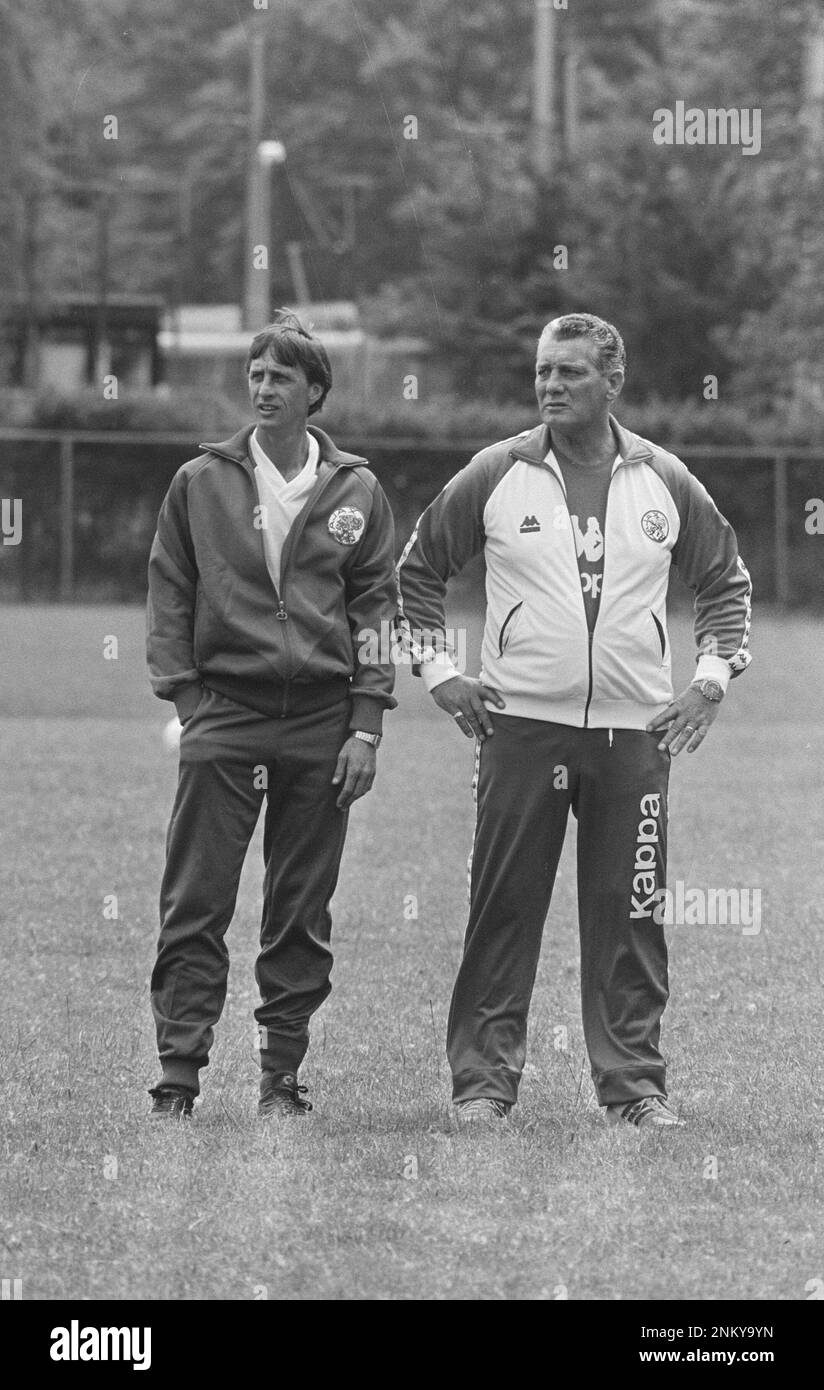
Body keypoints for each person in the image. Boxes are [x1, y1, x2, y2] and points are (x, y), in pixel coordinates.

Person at [396, 312, 752, 1130]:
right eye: (544, 372)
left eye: (570, 373)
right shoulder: (497, 472)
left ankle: (633, 1088)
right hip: (519, 728)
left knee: (631, 913)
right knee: (505, 907)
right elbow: (416, 574)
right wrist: (441, 671)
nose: (551, 386)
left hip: (635, 736)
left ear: (612, 381)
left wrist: (708, 679)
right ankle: (483, 1085)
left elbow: (726, 585)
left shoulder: (665, 479)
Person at [146, 310, 396, 1120]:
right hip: (225, 713)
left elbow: (377, 609)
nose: (262, 386)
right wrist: (187, 698)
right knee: (198, 900)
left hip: (323, 724)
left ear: (314, 391)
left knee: (300, 907)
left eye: (280, 376)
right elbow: (169, 590)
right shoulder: (201, 480)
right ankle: (178, 1075)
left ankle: (280, 1075)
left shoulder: (357, 488)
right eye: (255, 373)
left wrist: (365, 723)